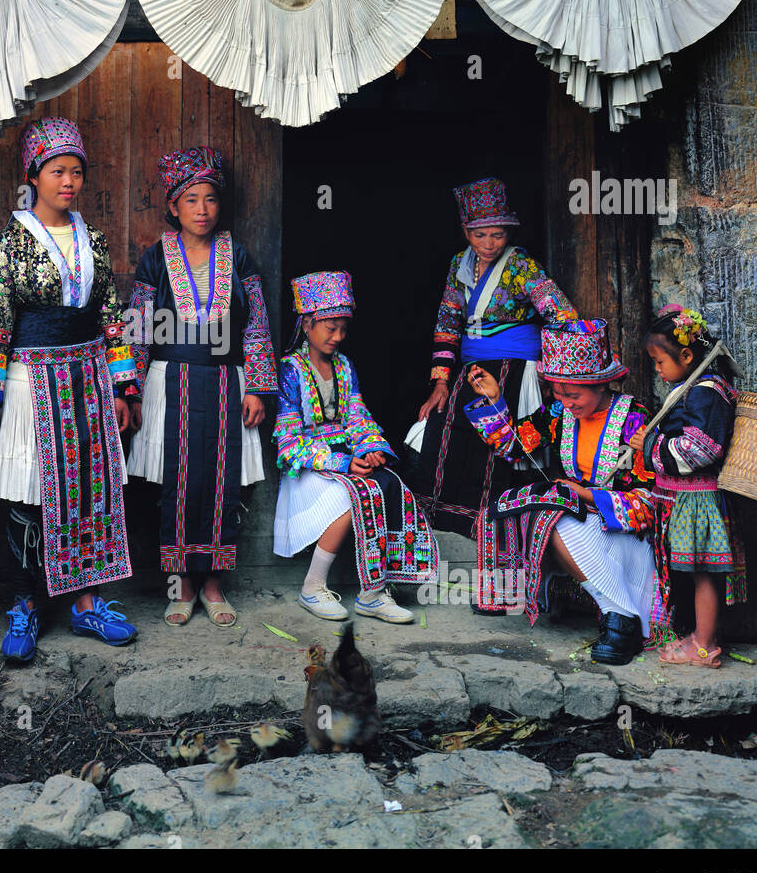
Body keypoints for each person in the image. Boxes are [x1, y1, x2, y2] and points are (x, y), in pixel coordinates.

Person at [0, 116, 139, 659]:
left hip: (86, 380)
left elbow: (111, 317)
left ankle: (87, 603)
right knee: (32, 494)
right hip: (28, 382)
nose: (68, 181)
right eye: (57, 170)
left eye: (76, 171)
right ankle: (27, 604)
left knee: (89, 488)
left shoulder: (96, 242)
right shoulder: (12, 243)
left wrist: (122, 388)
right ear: (34, 176)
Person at [126, 147, 278, 627]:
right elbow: (136, 327)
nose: (202, 209)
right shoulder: (156, 259)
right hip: (169, 382)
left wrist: (257, 385)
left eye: (210, 199)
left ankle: (213, 583)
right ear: (173, 206)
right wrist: (128, 388)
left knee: (221, 482)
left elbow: (254, 326)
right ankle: (182, 584)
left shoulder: (239, 256)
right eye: (191, 199)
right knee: (177, 483)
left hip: (226, 382)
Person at [464, 318, 666, 664]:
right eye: (558, 393)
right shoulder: (559, 414)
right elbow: (515, 447)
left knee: (556, 521)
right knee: (519, 513)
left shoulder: (634, 419)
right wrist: (495, 400)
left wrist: (587, 497)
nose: (566, 402)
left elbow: (650, 503)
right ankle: (511, 591)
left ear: (602, 385)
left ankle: (622, 617)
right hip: (582, 520)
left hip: (624, 531)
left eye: (573, 394)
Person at [416, 178, 578, 538]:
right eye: (479, 235)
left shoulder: (521, 265)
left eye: (497, 235)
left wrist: (552, 374)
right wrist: (441, 380)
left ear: (508, 232)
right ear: (465, 232)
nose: (488, 244)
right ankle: (451, 523)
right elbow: (447, 321)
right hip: (471, 367)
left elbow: (563, 316)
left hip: (516, 369)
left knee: (503, 446)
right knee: (450, 436)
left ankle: (501, 530)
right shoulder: (459, 264)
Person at [274, 271, 439, 623]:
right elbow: (288, 444)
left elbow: (358, 418)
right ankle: (313, 587)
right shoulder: (290, 371)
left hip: (346, 464)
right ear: (306, 324)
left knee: (389, 483)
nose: (338, 336)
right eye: (330, 327)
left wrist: (372, 449)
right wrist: (343, 462)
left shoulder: (345, 366)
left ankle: (374, 593)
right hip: (309, 471)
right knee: (353, 497)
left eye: (343, 329)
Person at [628, 305, 745, 668]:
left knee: (704, 574)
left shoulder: (705, 392)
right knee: (698, 573)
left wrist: (649, 446)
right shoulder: (691, 389)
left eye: (660, 362)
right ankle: (700, 636)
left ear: (687, 355)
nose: (658, 371)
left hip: (698, 500)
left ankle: (704, 647)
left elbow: (700, 448)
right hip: (685, 498)